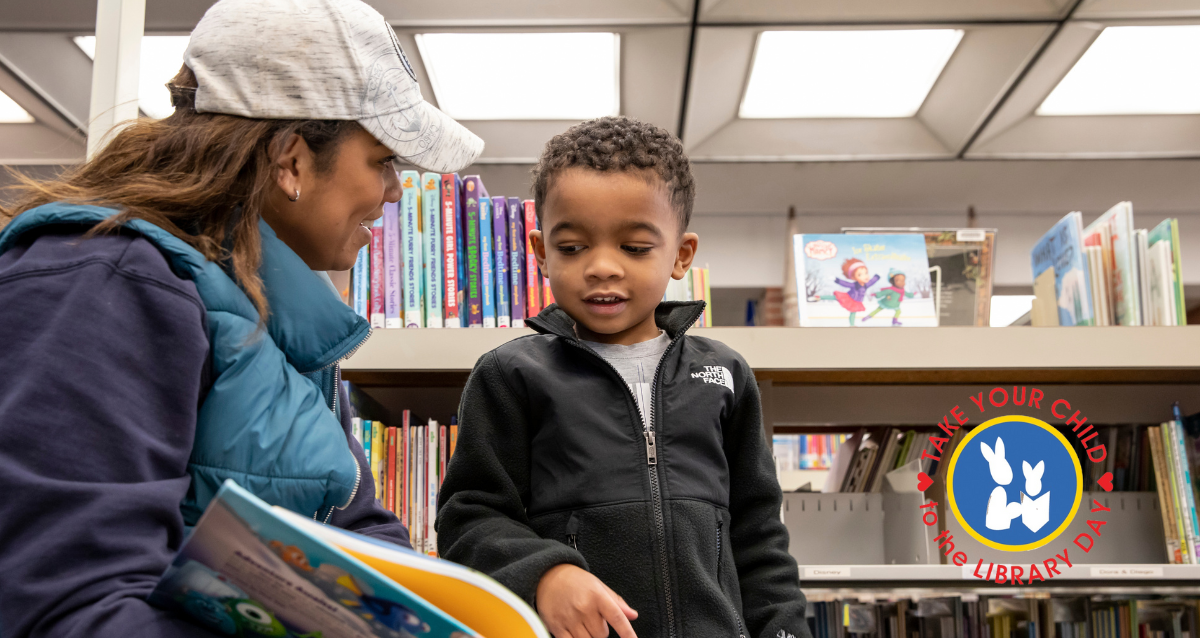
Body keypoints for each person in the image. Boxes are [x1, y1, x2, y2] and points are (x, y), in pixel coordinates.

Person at [0, 0, 482, 635]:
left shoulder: (280, 325)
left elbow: (348, 520)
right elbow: (64, 605)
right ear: (290, 161)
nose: (394, 190)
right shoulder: (102, 285)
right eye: (382, 160)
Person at [436, 116, 809, 638]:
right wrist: (545, 573)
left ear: (681, 256)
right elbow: (469, 519)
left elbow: (761, 536)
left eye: (634, 248)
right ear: (541, 253)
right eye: (572, 248)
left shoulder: (724, 375)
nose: (603, 267)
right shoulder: (512, 375)